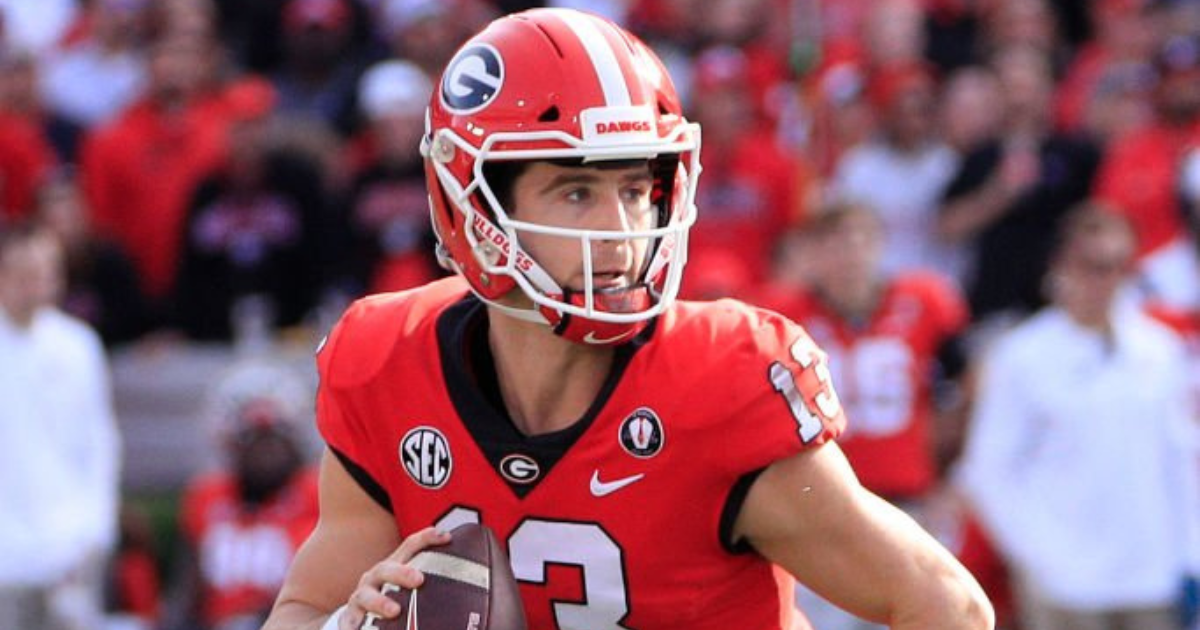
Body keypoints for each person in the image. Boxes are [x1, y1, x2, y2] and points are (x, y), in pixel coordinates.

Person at [262, 8, 994, 630]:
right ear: (473, 207)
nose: (621, 230)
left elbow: (944, 606)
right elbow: (304, 603)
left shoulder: (719, 384)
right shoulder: (388, 362)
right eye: (576, 191)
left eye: (638, 188)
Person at [955, 203, 1200, 630]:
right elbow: (988, 469)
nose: (1105, 281)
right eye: (1092, 266)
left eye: (1117, 267)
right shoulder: (1023, 356)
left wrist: (1189, 555)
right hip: (1066, 584)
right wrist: (1040, 555)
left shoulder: (1160, 352)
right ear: (1061, 266)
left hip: (1150, 576)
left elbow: (1181, 460)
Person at [0, 222, 122, 630]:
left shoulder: (78, 345)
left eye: (47, 273)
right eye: (25, 274)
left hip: (69, 548)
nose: (39, 285)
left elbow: (99, 441)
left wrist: (96, 529)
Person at [172, 360, 320, 630]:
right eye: (253, 438)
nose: (266, 452)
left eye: (274, 437)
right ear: (230, 443)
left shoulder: (317, 494)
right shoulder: (207, 497)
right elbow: (188, 597)